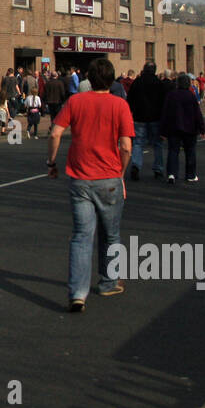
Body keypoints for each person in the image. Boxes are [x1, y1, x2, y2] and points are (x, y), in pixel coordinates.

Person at [47, 58, 134, 313]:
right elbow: (126, 146)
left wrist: (51, 162)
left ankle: (77, 293)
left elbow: (55, 133)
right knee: (111, 234)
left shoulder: (75, 101)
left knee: (81, 236)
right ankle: (108, 282)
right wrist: (121, 173)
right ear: (112, 79)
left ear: (88, 79)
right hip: (109, 177)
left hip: (80, 178)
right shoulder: (120, 105)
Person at [160, 73, 205, 183]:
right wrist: (202, 129)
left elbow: (165, 113)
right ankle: (190, 174)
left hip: (173, 127)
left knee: (173, 151)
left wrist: (163, 130)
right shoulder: (191, 96)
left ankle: (171, 173)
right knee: (190, 151)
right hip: (189, 128)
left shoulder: (171, 95)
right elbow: (197, 114)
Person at [126, 63, 166, 181]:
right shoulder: (159, 83)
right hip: (155, 117)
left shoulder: (137, 82)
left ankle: (136, 166)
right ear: (154, 71)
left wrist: (132, 113)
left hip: (139, 117)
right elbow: (163, 101)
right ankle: (158, 169)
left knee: (138, 143)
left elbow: (130, 99)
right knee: (157, 144)